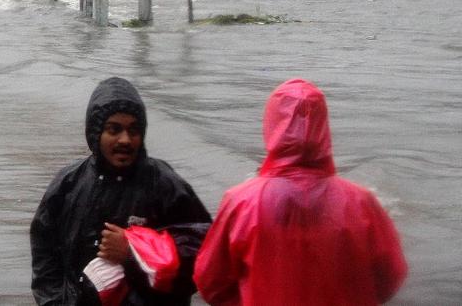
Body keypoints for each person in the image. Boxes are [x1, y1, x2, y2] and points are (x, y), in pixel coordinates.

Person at [194, 78, 407, 306]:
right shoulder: (362, 202)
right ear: (324, 127)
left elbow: (210, 281)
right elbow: (390, 275)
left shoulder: (241, 201)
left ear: (272, 124)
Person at [31, 77, 211, 305]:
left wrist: (133, 252)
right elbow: (44, 253)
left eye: (133, 130)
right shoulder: (68, 183)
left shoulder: (164, 183)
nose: (125, 140)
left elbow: (204, 252)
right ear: (96, 133)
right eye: (114, 129)